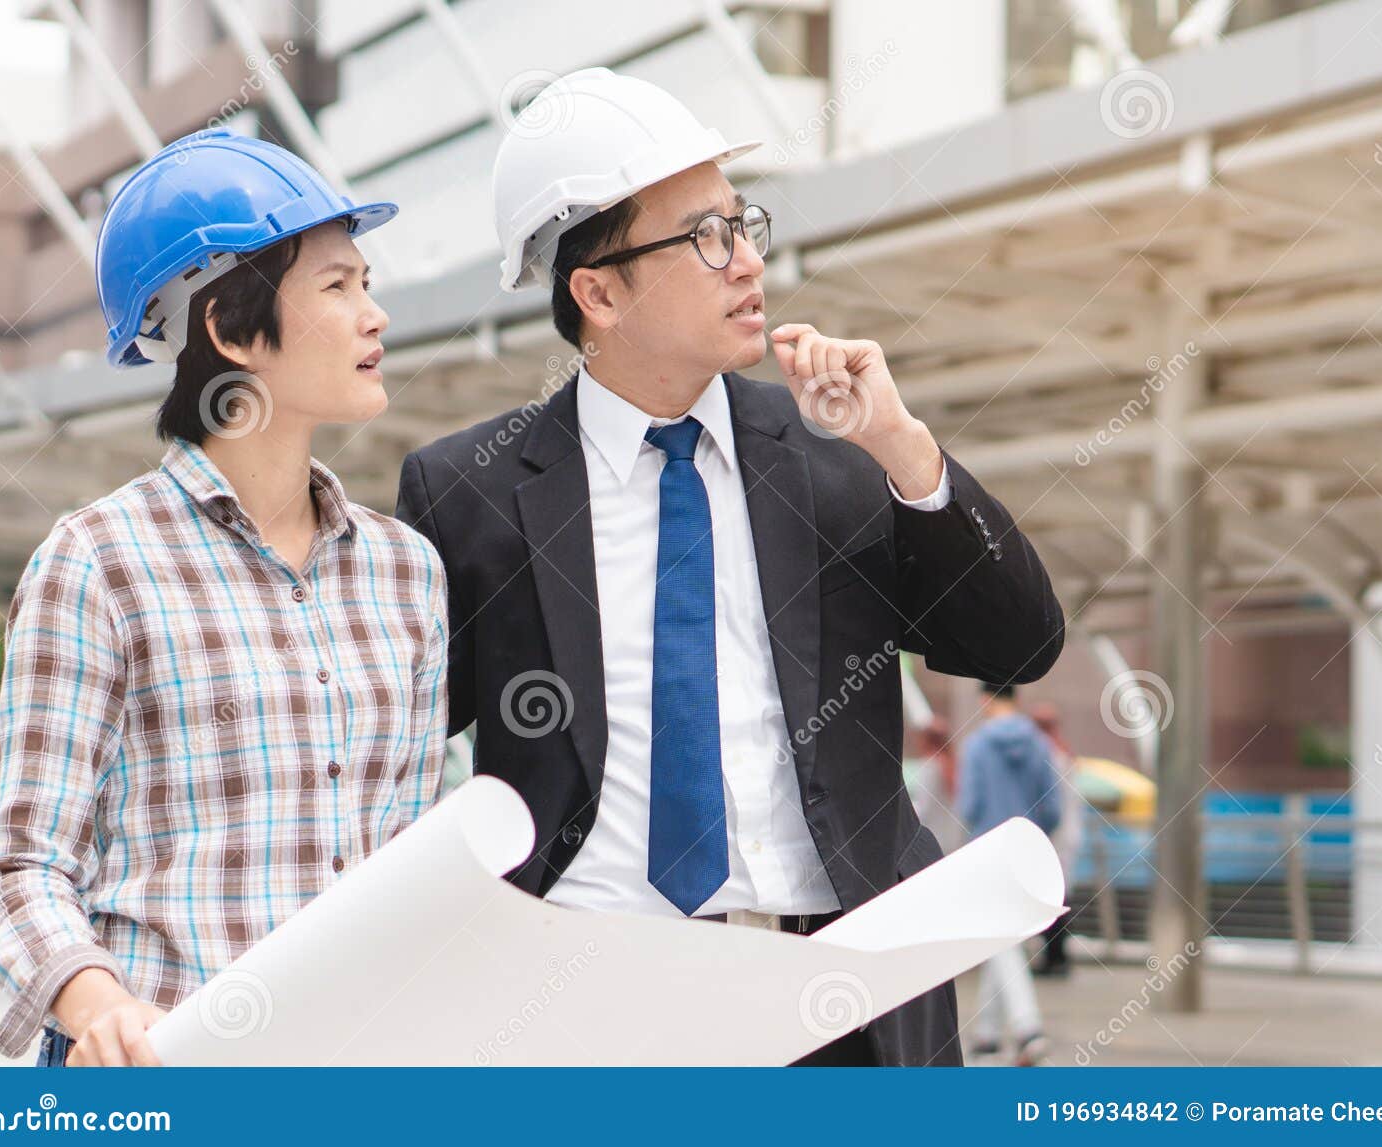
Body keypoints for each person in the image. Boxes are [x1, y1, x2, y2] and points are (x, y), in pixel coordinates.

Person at [397, 69, 1064, 1066]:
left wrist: (903, 446)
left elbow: (1020, 638)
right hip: (583, 1011)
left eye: (742, 223)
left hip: (839, 1006)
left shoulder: (837, 457)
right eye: (705, 236)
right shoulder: (470, 490)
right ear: (598, 290)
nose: (747, 259)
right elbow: (389, 751)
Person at [0, 129, 449, 1068]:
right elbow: (22, 864)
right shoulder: (96, 563)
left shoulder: (407, 571)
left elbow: (406, 861)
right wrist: (96, 999)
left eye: (366, 282)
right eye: (338, 286)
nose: (375, 315)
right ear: (229, 328)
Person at [957, 682, 1062, 1065]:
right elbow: (1053, 807)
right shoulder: (1039, 744)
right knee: (1004, 940)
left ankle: (1027, 1027)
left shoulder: (978, 746)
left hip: (990, 853)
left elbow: (970, 804)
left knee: (1000, 940)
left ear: (986, 699)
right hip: (1028, 852)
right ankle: (987, 1035)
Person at [1030, 702, 1081, 976]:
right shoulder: (1064, 753)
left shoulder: (1048, 756)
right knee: (1060, 896)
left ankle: (1055, 957)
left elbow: (1050, 805)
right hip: (1067, 835)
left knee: (1053, 898)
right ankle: (1056, 956)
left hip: (1055, 837)